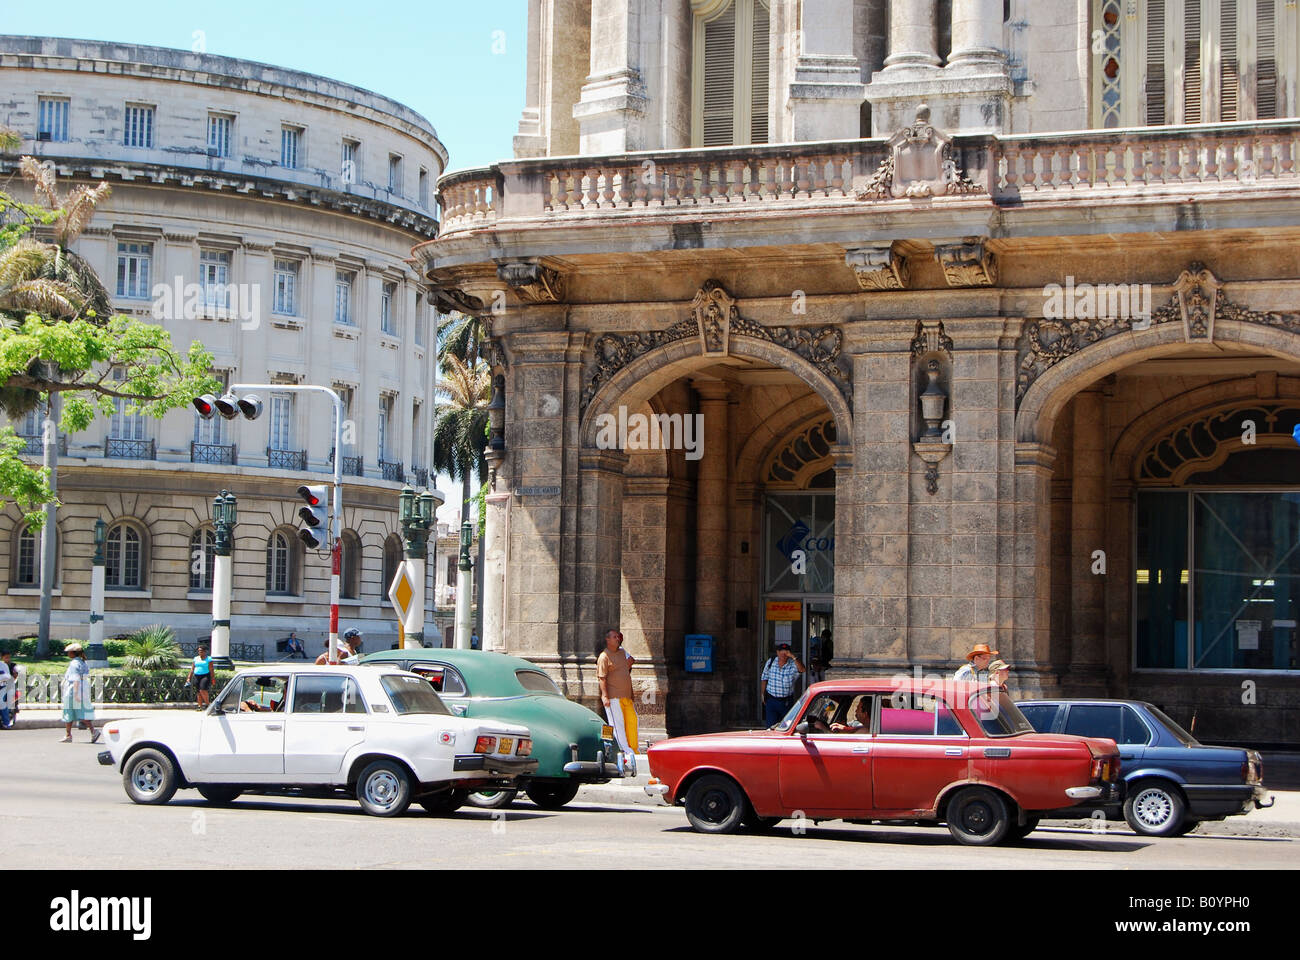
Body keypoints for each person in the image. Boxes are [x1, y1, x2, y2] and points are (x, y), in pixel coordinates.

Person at [596, 629, 638, 776]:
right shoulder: (604, 657)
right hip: (613, 697)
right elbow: (602, 678)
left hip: (626, 696)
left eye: (618, 637)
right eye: (614, 637)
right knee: (617, 724)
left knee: (633, 721)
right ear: (608, 639)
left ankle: (633, 747)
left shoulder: (621, 652)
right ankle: (625, 750)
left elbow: (631, 660)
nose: (617, 639)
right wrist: (605, 696)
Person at [60, 643, 99, 744]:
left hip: (73, 691)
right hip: (83, 690)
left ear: (73, 653)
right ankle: (69, 734)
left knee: (69, 712)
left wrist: (76, 693)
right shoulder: (83, 663)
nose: (68, 654)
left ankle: (90, 731)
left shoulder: (74, 664)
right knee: (81, 712)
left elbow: (75, 678)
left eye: (69, 652)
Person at [761, 641, 805, 728]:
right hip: (771, 700)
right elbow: (764, 678)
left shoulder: (793, 664)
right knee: (770, 726)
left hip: (786, 701)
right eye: (781, 651)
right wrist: (762, 694)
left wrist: (793, 657)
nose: (783, 654)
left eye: (786, 652)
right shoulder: (771, 661)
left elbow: (803, 670)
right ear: (777, 652)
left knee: (786, 727)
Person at [188, 644, 214, 709]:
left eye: (201, 651)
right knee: (198, 691)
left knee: (203, 690)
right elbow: (192, 669)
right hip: (197, 676)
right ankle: (199, 706)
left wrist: (213, 678)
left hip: (205, 676)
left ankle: (208, 704)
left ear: (205, 651)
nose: (200, 652)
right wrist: (189, 677)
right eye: (199, 651)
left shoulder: (209, 659)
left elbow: (211, 669)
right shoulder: (195, 658)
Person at [0, 650, 14, 729]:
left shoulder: (3, 665)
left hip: (3, 687)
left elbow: (7, 677)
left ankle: (6, 722)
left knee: (1, 703)